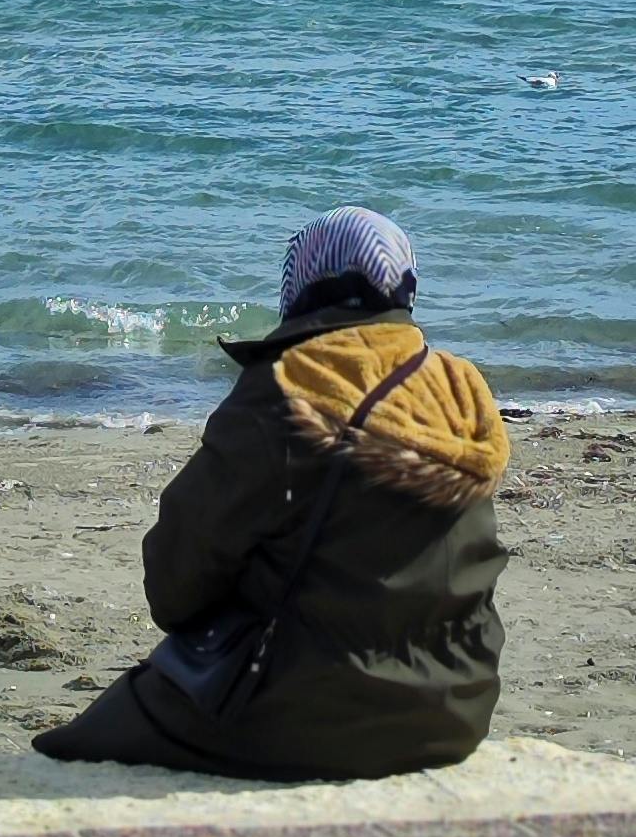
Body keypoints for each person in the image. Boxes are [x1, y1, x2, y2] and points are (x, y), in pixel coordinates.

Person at [30, 208, 506, 783]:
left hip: (301, 715)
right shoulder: (459, 388)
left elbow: (174, 585)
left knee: (79, 742)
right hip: (456, 709)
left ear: (301, 283)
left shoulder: (287, 387)